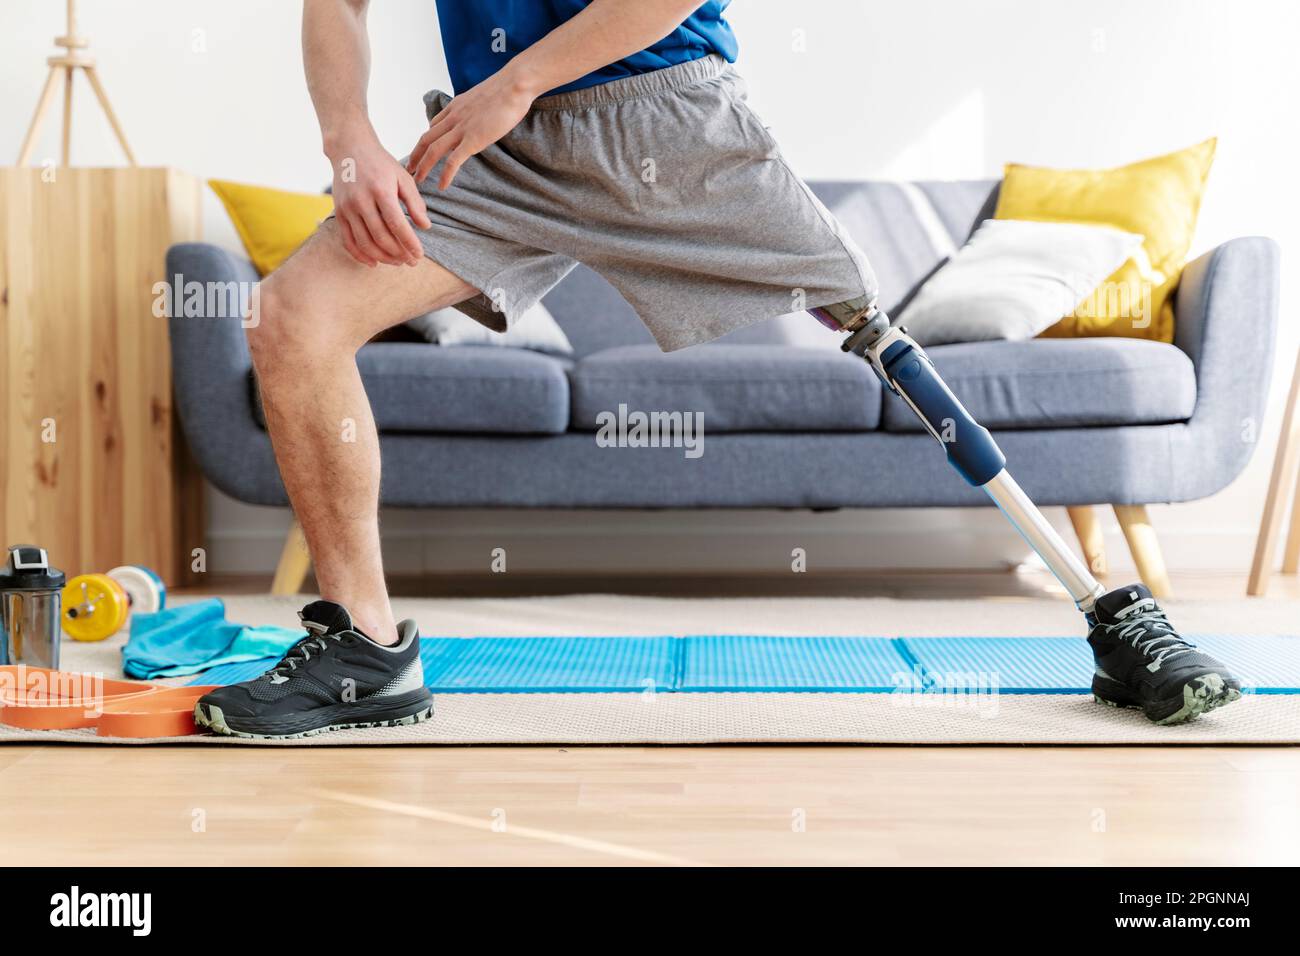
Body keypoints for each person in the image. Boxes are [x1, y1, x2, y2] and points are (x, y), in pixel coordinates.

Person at [195, 0, 1240, 738]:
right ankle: (369, 651)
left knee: (876, 332)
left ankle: (1110, 609)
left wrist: (514, 83)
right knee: (291, 316)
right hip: (497, 152)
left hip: (669, 119)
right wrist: (350, 144)